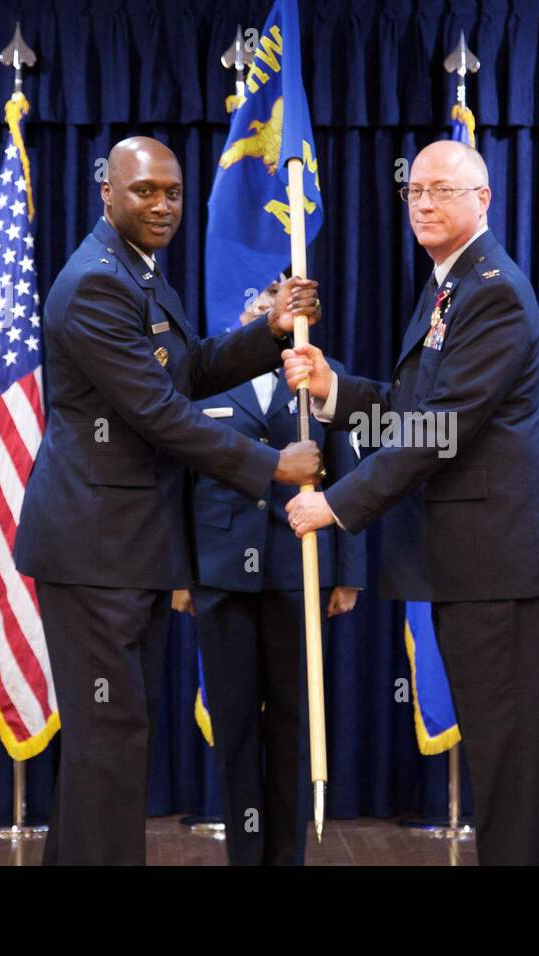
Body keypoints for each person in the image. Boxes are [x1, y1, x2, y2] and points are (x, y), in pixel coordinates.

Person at [13, 136, 323, 865]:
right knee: (110, 743)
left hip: (126, 550)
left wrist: (267, 330)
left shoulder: (139, 274)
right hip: (94, 551)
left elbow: (183, 374)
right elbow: (159, 413)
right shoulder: (96, 282)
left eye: (173, 192)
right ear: (108, 195)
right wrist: (272, 465)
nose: (162, 205)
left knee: (108, 743)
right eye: (145, 191)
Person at [282, 140, 539, 865]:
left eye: (442, 189)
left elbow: (439, 432)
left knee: (511, 775)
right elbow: (413, 412)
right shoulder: (451, 284)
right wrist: (335, 392)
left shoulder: (495, 290)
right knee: (497, 763)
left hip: (501, 569)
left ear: (483, 199)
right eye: (414, 190)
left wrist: (339, 505)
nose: (422, 202)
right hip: (465, 567)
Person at [175, 281, 366, 866]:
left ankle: (286, 857)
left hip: (296, 573)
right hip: (221, 575)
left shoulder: (319, 381)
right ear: (245, 319)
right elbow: (181, 484)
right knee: (233, 725)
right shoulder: (208, 380)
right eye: (260, 308)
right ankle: (244, 854)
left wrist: (347, 573)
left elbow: (350, 476)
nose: (271, 315)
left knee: (291, 722)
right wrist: (179, 574)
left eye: (282, 308)